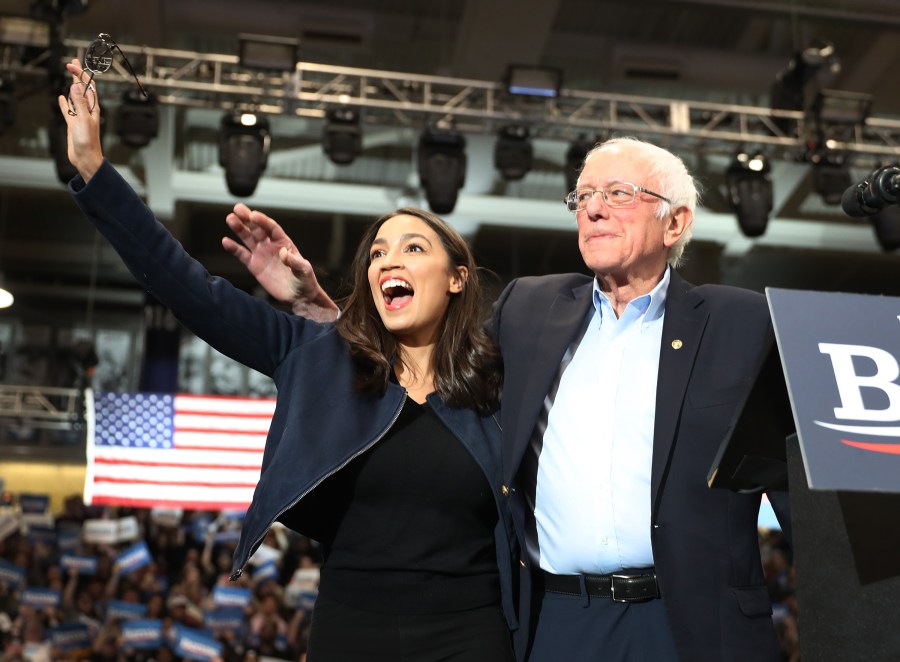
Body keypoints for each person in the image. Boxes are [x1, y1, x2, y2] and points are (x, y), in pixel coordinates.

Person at [226, 137, 793, 660]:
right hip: (557, 621)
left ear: (677, 222)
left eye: (618, 193)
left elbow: (801, 486)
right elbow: (435, 364)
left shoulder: (742, 321)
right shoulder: (528, 310)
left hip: (693, 623)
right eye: (584, 195)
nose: (593, 208)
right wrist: (322, 309)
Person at [57, 58, 518, 662]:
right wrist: (94, 169)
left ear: (457, 278)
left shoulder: (500, 377)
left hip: (473, 635)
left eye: (412, 246)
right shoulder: (318, 357)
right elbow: (186, 287)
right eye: (377, 252)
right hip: (352, 631)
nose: (387, 260)